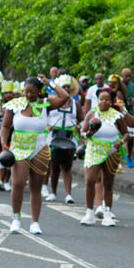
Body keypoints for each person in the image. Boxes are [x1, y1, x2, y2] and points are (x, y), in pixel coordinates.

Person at [1, 76, 74, 234]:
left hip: (39, 146)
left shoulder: (45, 104)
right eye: (26, 91)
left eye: (32, 92)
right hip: (19, 146)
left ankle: (35, 222)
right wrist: (4, 144)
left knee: (36, 186)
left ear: (39, 91)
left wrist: (50, 84)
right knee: (18, 183)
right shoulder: (15, 105)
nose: (28, 95)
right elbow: (5, 126)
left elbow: (65, 97)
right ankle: (16, 218)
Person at [79, 87, 129, 227]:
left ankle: (107, 213)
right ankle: (89, 212)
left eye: (107, 100)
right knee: (90, 180)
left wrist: (121, 141)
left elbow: (125, 133)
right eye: (101, 99)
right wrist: (88, 133)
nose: (103, 102)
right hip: (94, 149)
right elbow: (82, 133)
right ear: (98, 100)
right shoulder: (92, 114)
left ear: (111, 102)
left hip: (111, 150)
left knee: (108, 182)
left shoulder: (117, 115)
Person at [45, 73, 81, 203]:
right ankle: (53, 192)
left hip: (69, 138)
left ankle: (68, 194)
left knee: (67, 167)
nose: (66, 89)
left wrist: (79, 126)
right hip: (54, 137)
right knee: (54, 166)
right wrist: (47, 125)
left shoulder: (75, 104)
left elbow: (82, 120)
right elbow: (42, 115)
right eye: (63, 87)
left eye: (67, 87)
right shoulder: (51, 102)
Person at [120, 68, 134, 166]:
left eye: (130, 76)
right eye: (126, 76)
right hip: (118, 114)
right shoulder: (117, 84)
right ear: (122, 76)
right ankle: (118, 157)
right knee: (118, 136)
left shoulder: (133, 85)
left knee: (131, 137)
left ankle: (129, 155)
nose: (128, 78)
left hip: (129, 113)